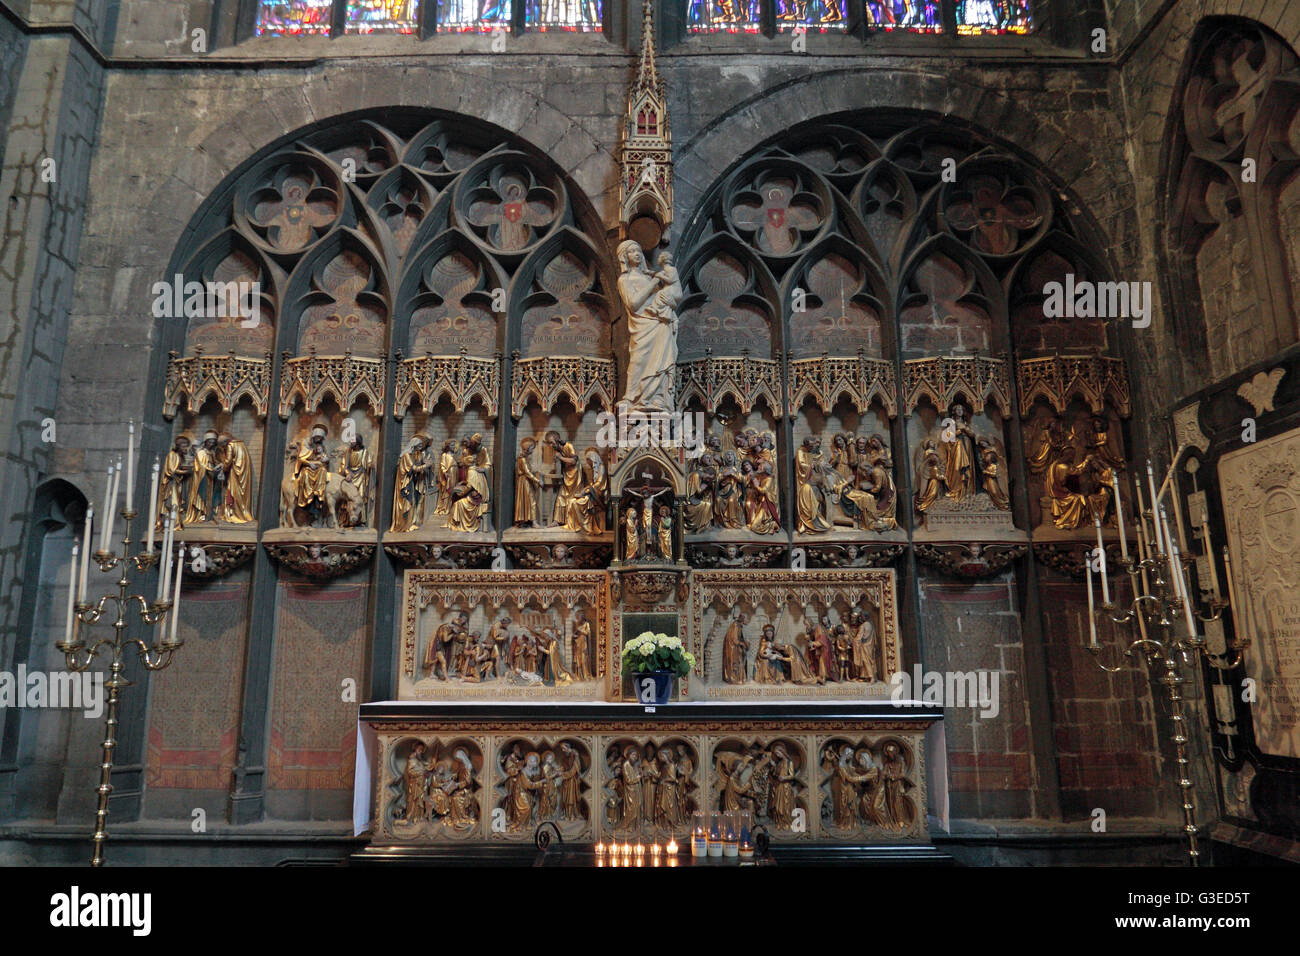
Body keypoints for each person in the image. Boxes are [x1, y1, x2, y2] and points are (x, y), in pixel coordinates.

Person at [616, 240, 678, 412]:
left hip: (659, 323)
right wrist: (653, 283)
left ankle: (658, 398)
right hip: (641, 325)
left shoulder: (650, 276)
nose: (637, 254)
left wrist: (670, 301)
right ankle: (631, 398)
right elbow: (633, 303)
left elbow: (665, 299)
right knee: (638, 359)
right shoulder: (625, 279)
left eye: (638, 251)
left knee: (660, 363)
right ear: (625, 258)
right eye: (632, 252)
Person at [391, 435, 431, 532]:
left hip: (410, 482)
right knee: (406, 503)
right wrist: (426, 465)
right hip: (404, 484)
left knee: (411, 503)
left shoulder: (413, 455)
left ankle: (409, 524)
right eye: (420, 445)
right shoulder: (406, 456)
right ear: (414, 445)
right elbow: (414, 469)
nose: (421, 447)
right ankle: (403, 525)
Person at [217, 434, 255, 523]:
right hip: (243, 474)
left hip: (235, 474)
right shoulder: (241, 444)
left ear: (226, 442)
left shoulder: (231, 445)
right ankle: (243, 513)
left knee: (234, 493)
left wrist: (222, 466)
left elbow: (227, 462)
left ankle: (234, 513)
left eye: (222, 445)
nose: (223, 447)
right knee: (242, 496)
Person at [513, 436, 541, 527]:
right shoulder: (522, 459)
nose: (532, 451)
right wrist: (538, 481)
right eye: (531, 448)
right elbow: (527, 472)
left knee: (526, 501)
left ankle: (523, 521)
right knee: (531, 500)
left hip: (524, 481)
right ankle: (533, 522)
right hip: (525, 481)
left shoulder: (524, 458)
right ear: (527, 449)